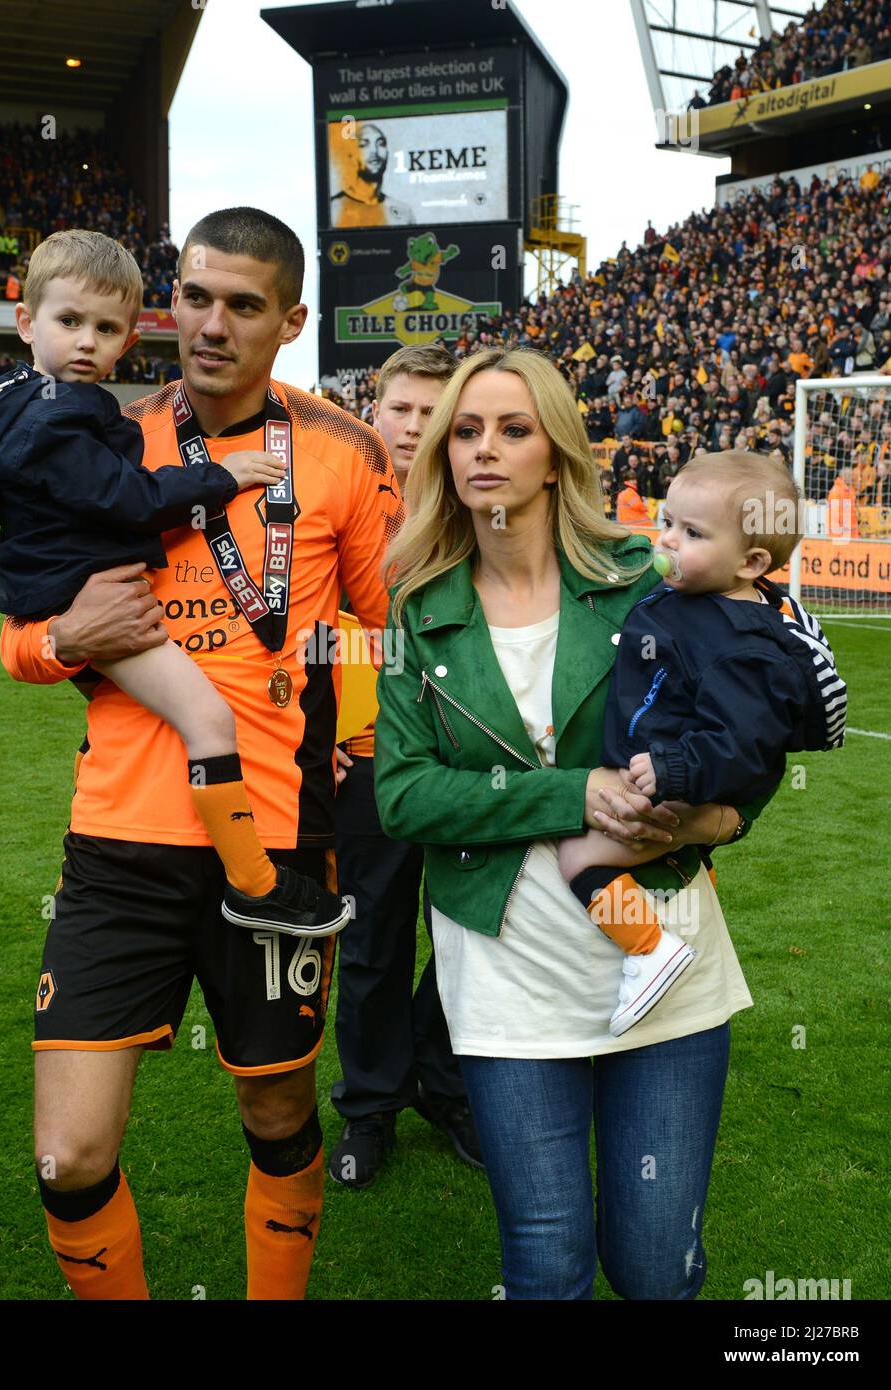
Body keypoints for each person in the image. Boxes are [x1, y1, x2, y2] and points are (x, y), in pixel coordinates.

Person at [0, 208, 403, 1300]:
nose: (209, 324)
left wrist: (353, 740)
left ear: (291, 319)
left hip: (275, 853)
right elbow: (19, 633)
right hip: (118, 843)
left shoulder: (342, 453)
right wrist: (62, 641)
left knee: (275, 1112)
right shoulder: (99, 437)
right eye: (193, 296)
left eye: (242, 305)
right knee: (68, 1155)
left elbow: (389, 625)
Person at [373, 346, 770, 1300]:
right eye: (464, 431)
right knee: (545, 1267)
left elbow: (753, 723)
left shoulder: (649, 579)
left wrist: (717, 819)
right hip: (508, 986)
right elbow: (402, 794)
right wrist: (572, 794)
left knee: (653, 1267)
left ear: (556, 453)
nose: (485, 450)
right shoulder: (416, 609)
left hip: (665, 964)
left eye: (514, 430)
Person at [0, 229, 346, 940]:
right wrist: (223, 477)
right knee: (210, 721)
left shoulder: (7, 401)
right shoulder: (60, 416)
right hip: (80, 600)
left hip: (58, 592)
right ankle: (256, 882)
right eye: (69, 322)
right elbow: (130, 499)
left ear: (129, 338)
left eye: (106, 328)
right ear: (28, 323)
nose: (87, 342)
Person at [558, 452, 846, 1035]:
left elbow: (743, 744)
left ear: (752, 561)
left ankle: (649, 950)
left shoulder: (742, 645)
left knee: (578, 856)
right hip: (664, 773)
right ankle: (694, 880)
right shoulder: (696, 600)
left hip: (678, 786)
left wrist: (674, 770)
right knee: (660, 852)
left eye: (691, 533)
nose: (667, 542)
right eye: (668, 523)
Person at [329, 343, 482, 1188]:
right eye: (402, 409)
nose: (416, 426)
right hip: (369, 757)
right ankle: (371, 1107)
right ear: (373, 408)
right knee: (374, 942)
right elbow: (309, 632)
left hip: (467, 764)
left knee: (468, 934)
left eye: (434, 412)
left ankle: (444, 1080)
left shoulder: (482, 501)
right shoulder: (339, 498)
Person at [329, 122, 413, 229]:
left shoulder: (403, 212)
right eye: (364, 144)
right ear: (351, 156)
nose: (374, 151)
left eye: (380, 143)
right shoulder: (333, 209)